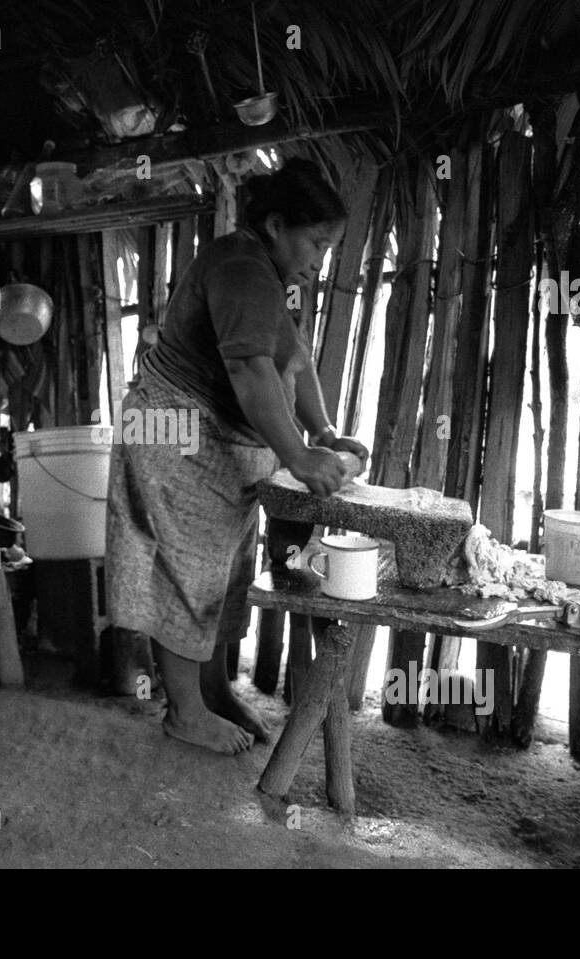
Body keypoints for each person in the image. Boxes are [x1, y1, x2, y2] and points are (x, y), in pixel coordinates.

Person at [105, 158, 369, 755]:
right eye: (317, 243)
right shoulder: (242, 268)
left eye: (329, 247)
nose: (320, 259)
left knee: (223, 578)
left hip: (209, 443)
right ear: (276, 224)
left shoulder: (268, 274)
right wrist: (300, 458)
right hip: (176, 437)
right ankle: (185, 714)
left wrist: (321, 430)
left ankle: (213, 691)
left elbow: (289, 356)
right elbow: (249, 368)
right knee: (188, 573)